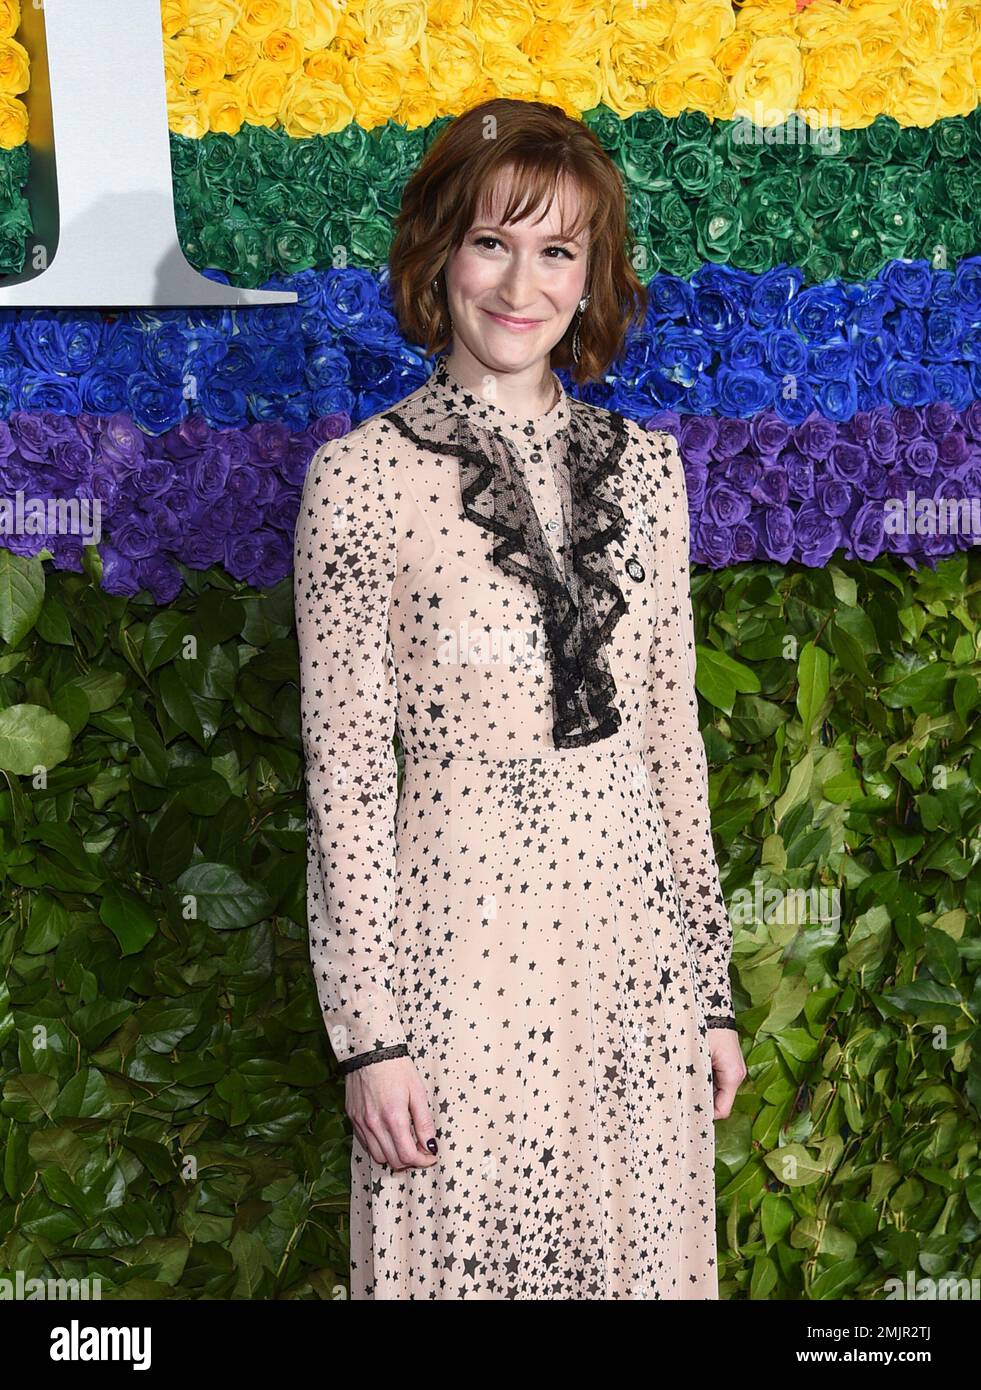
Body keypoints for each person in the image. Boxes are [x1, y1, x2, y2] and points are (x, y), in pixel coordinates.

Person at [293, 96, 746, 1301]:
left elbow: (670, 743)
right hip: (455, 959)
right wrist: (369, 1035)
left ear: (592, 276)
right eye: (494, 240)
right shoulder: (358, 481)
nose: (521, 283)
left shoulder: (651, 473)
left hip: (633, 964)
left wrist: (711, 991)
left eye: (560, 251)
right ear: (441, 249)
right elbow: (345, 776)